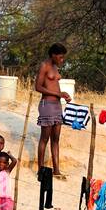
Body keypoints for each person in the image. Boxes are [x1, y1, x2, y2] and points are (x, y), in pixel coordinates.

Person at [35, 43, 71, 178]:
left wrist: (63, 94)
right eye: (60, 57)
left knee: (56, 139)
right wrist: (57, 94)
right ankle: (41, 170)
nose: (62, 60)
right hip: (47, 105)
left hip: (57, 105)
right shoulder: (44, 66)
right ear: (53, 55)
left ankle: (56, 170)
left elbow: (54, 86)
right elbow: (38, 87)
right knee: (44, 138)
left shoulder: (55, 68)